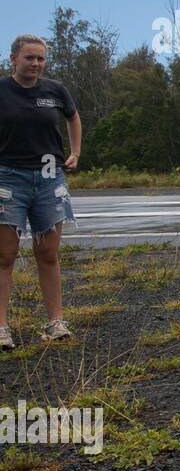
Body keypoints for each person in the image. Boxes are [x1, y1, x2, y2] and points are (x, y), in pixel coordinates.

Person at [0, 34, 80, 348]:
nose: (35, 64)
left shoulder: (56, 90)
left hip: (49, 179)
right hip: (8, 180)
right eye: (29, 58)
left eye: (40, 58)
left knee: (47, 253)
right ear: (14, 59)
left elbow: (73, 117)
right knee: (5, 256)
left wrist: (75, 151)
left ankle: (55, 322)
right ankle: (2, 327)